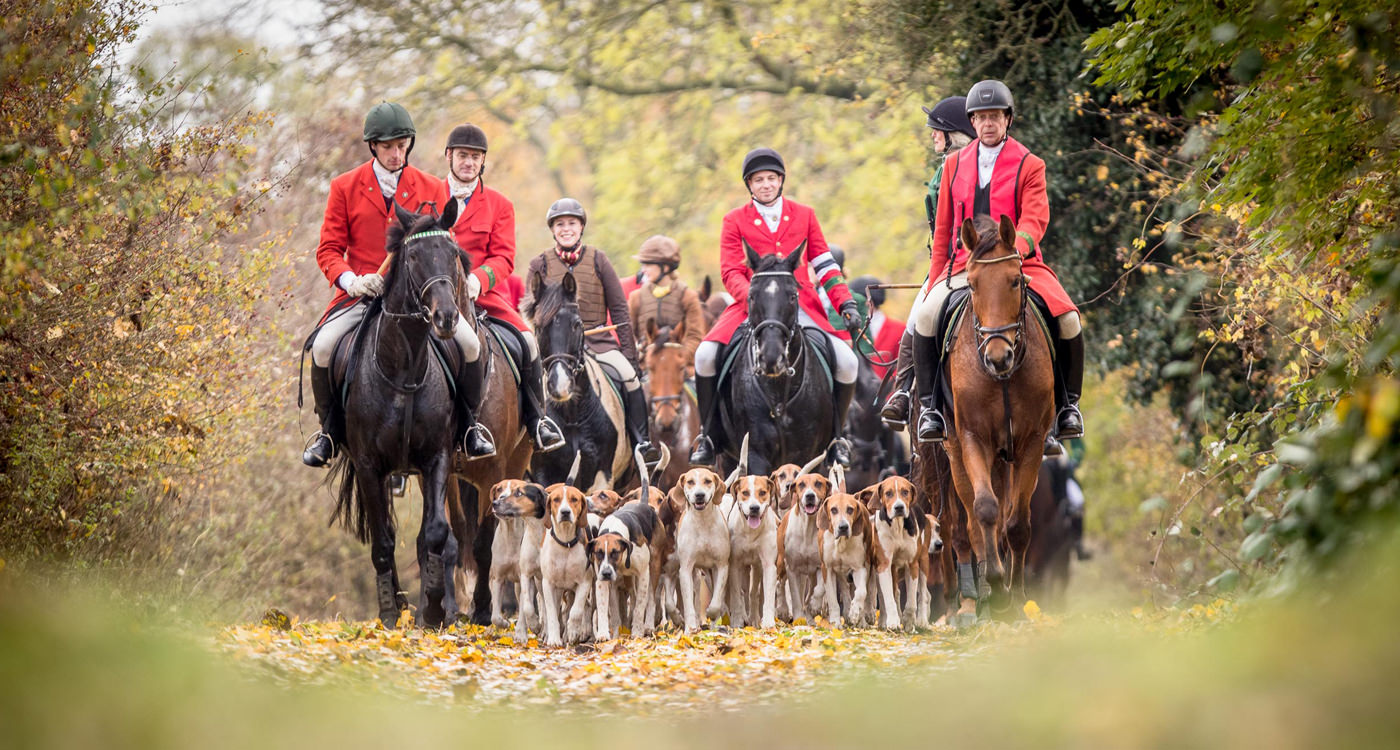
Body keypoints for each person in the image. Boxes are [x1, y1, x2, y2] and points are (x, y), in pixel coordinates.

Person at [303, 102, 484, 466]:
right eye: (388, 147)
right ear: (373, 146)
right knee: (322, 347)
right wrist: (352, 280)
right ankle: (329, 432)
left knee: (470, 344)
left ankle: (469, 427)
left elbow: (442, 246)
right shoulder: (344, 187)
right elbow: (328, 249)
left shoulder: (432, 187)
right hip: (360, 296)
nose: (396, 154)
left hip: (419, 301)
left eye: (402, 146)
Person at [907, 80, 1085, 448]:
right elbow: (943, 230)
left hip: (1017, 264)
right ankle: (931, 409)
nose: (989, 123)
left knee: (1068, 320)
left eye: (996, 117)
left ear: (1008, 119)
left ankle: (1067, 407)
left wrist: (1014, 251)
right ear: (972, 122)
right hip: (963, 266)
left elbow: (1035, 219)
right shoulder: (954, 164)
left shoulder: (1030, 164)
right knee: (925, 318)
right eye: (982, 117)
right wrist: (935, 277)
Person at [689, 147, 862, 467]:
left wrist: (845, 302)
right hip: (750, 305)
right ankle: (709, 436)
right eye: (759, 180)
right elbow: (730, 270)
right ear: (749, 185)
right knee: (704, 356)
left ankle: (838, 437)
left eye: (771, 178)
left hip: (798, 305)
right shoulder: (734, 220)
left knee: (847, 361)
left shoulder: (804, 214)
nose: (766, 185)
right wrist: (753, 298)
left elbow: (823, 263)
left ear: (781, 181)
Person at [441, 123, 564, 453]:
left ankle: (538, 421)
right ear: (449, 156)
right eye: (463, 155)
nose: (469, 162)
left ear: (483, 162)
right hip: (434, 298)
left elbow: (504, 257)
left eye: (476, 157)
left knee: (527, 341)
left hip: (482, 296)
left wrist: (477, 280)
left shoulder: (499, 204)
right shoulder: (428, 198)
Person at [526, 199, 659, 464]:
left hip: (597, 342)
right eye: (560, 224)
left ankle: (642, 443)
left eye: (572, 223)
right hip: (555, 349)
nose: (566, 229)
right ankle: (529, 442)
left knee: (630, 379)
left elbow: (620, 310)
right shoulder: (539, 264)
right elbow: (531, 312)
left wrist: (630, 356)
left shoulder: (599, 259)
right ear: (552, 229)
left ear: (581, 227)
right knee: (526, 385)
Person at [879, 95, 976, 429]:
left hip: (973, 263)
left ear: (955, 132)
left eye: (938, 129)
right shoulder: (941, 170)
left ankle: (1058, 407)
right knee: (919, 316)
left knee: (917, 318)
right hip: (946, 264)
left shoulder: (973, 166)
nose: (933, 134)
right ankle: (905, 393)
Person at [626, 234, 705, 360]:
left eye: (648, 265)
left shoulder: (688, 297)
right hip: (645, 366)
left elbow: (695, 337)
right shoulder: (636, 297)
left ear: (666, 267)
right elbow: (629, 334)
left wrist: (675, 358)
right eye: (643, 265)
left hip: (679, 367)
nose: (643, 270)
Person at [847, 275, 904, 380]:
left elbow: (902, 366)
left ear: (867, 303)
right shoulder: (849, 327)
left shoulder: (900, 330)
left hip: (888, 392)